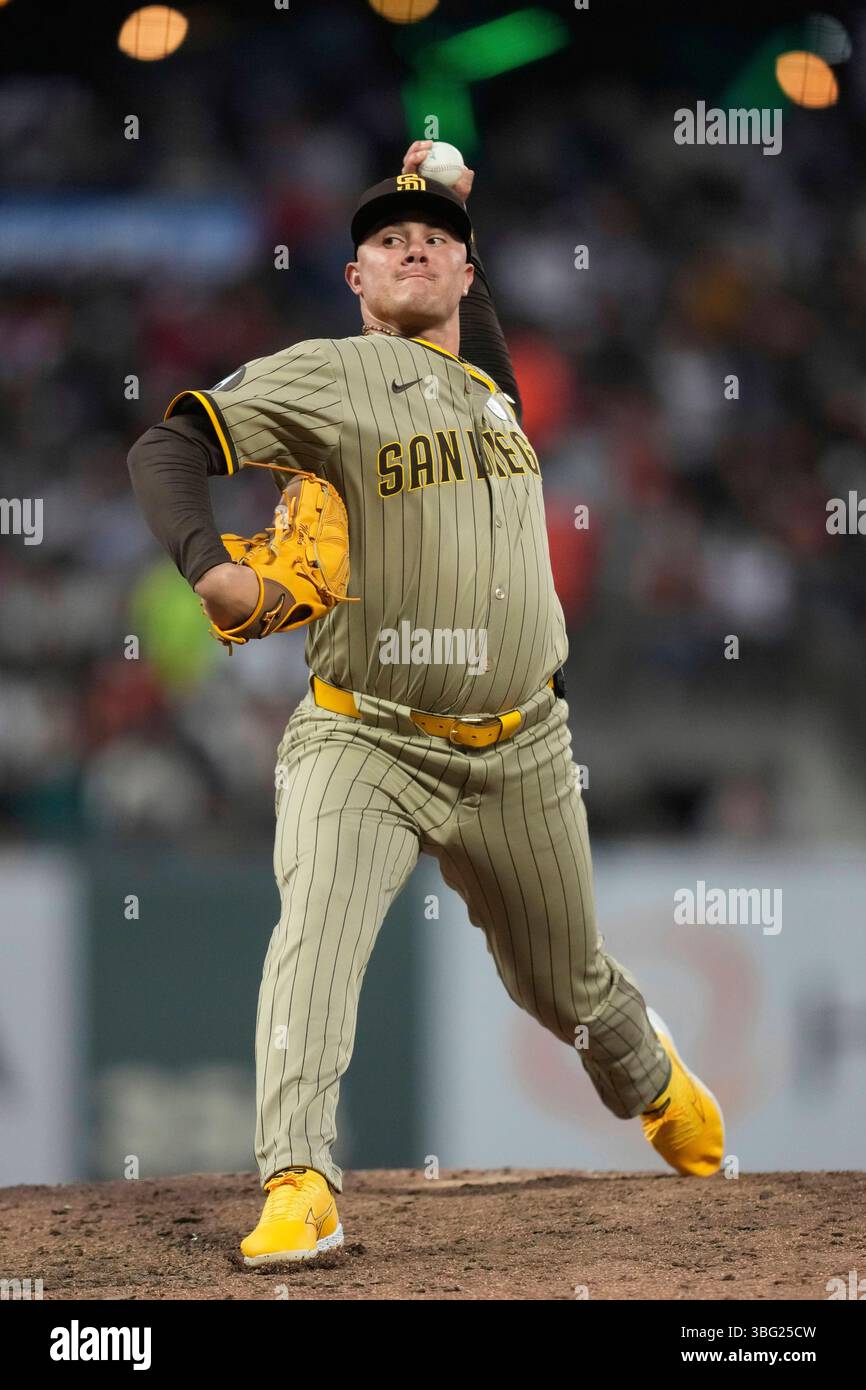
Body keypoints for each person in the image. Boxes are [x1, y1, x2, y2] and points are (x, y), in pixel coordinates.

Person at [127, 139, 724, 1266]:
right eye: (386, 242)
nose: (412, 249)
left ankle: (646, 1071)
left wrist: (450, 200)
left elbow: (474, 340)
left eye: (435, 241)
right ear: (354, 280)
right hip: (367, 736)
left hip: (525, 746)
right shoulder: (326, 374)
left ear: (466, 274)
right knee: (318, 937)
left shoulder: (495, 393)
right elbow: (165, 447)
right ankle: (300, 1178)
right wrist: (207, 564)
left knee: (565, 986)